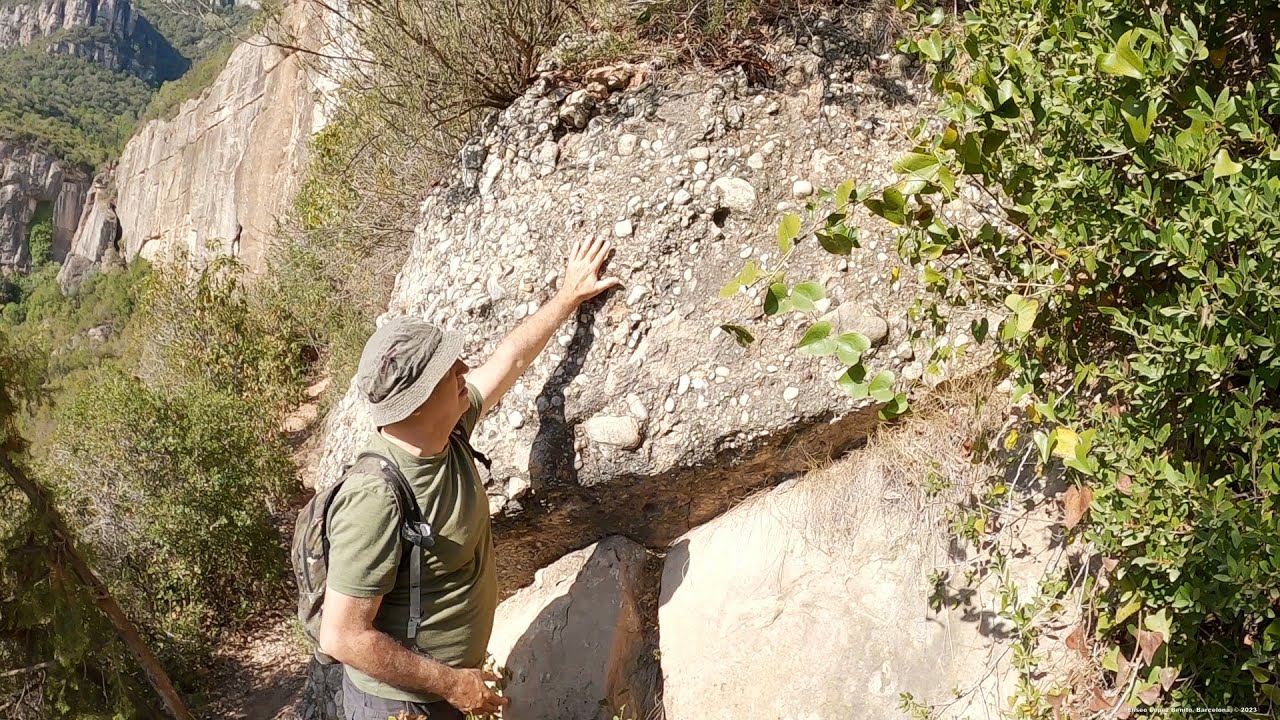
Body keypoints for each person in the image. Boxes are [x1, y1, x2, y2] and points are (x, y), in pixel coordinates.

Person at [319, 236, 620, 720]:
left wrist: (567, 297)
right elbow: (342, 634)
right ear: (415, 402)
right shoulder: (375, 498)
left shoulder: (450, 427)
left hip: (446, 692)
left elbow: (511, 358)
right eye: (446, 370)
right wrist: (454, 684)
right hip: (403, 707)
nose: (463, 368)